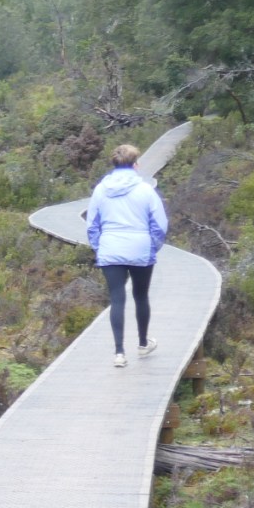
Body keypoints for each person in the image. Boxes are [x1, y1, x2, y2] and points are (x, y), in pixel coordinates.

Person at [86, 144, 168, 367]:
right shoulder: (146, 190)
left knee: (117, 298)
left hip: (110, 248)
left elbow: (92, 224)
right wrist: (152, 246)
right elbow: (160, 225)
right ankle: (142, 344)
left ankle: (119, 353)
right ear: (135, 164)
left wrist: (99, 247)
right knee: (141, 296)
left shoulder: (101, 190)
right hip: (140, 248)